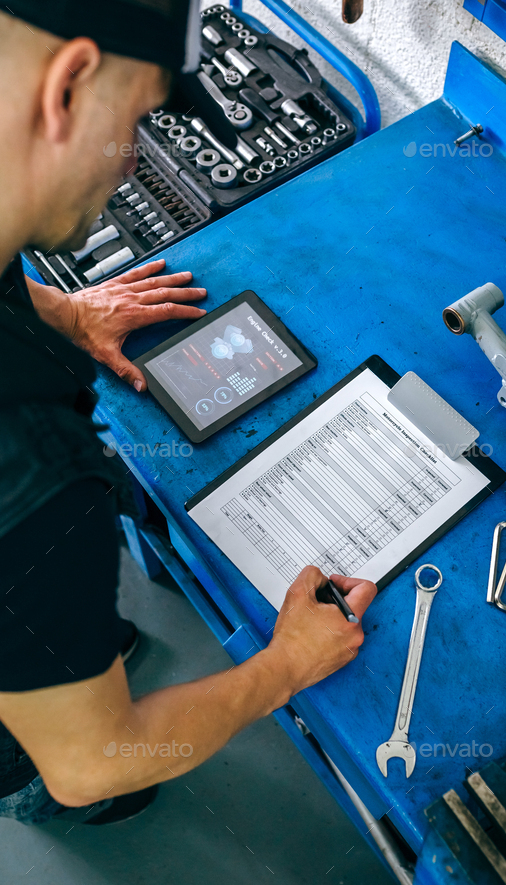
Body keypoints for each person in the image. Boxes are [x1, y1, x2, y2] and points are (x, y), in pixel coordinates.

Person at [0, 0, 377, 826]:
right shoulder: (32, 470)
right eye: (136, 118)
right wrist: (286, 664)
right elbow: (93, 761)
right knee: (80, 769)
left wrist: (66, 314)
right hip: (52, 731)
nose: (132, 159)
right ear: (65, 91)